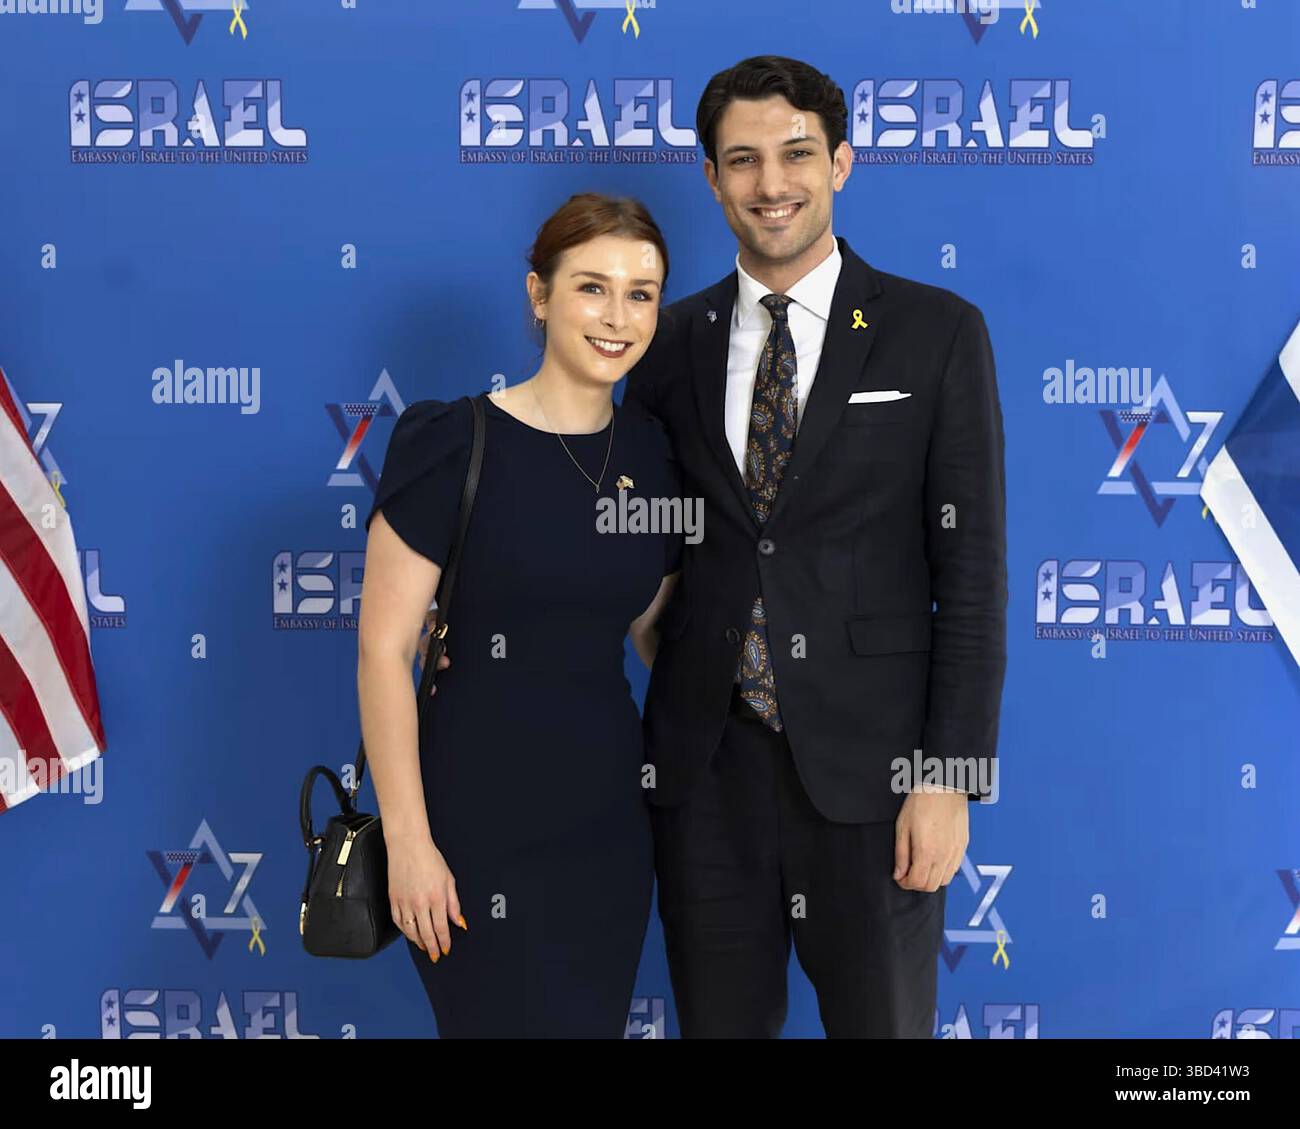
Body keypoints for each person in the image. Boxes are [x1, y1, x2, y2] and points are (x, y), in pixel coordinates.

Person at [623, 55, 1008, 1038]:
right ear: (710, 178)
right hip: (706, 773)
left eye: (795, 153)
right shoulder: (667, 343)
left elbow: (972, 573)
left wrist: (947, 778)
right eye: (741, 160)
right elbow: (639, 539)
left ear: (841, 162)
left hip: (877, 780)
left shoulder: (934, 332)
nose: (770, 184)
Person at [357, 193, 682, 1038]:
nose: (618, 317)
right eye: (592, 288)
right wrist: (411, 842)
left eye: (641, 293)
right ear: (539, 296)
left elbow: (654, 629)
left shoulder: (653, 454)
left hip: (607, 832)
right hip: (471, 829)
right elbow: (385, 651)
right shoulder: (452, 443)